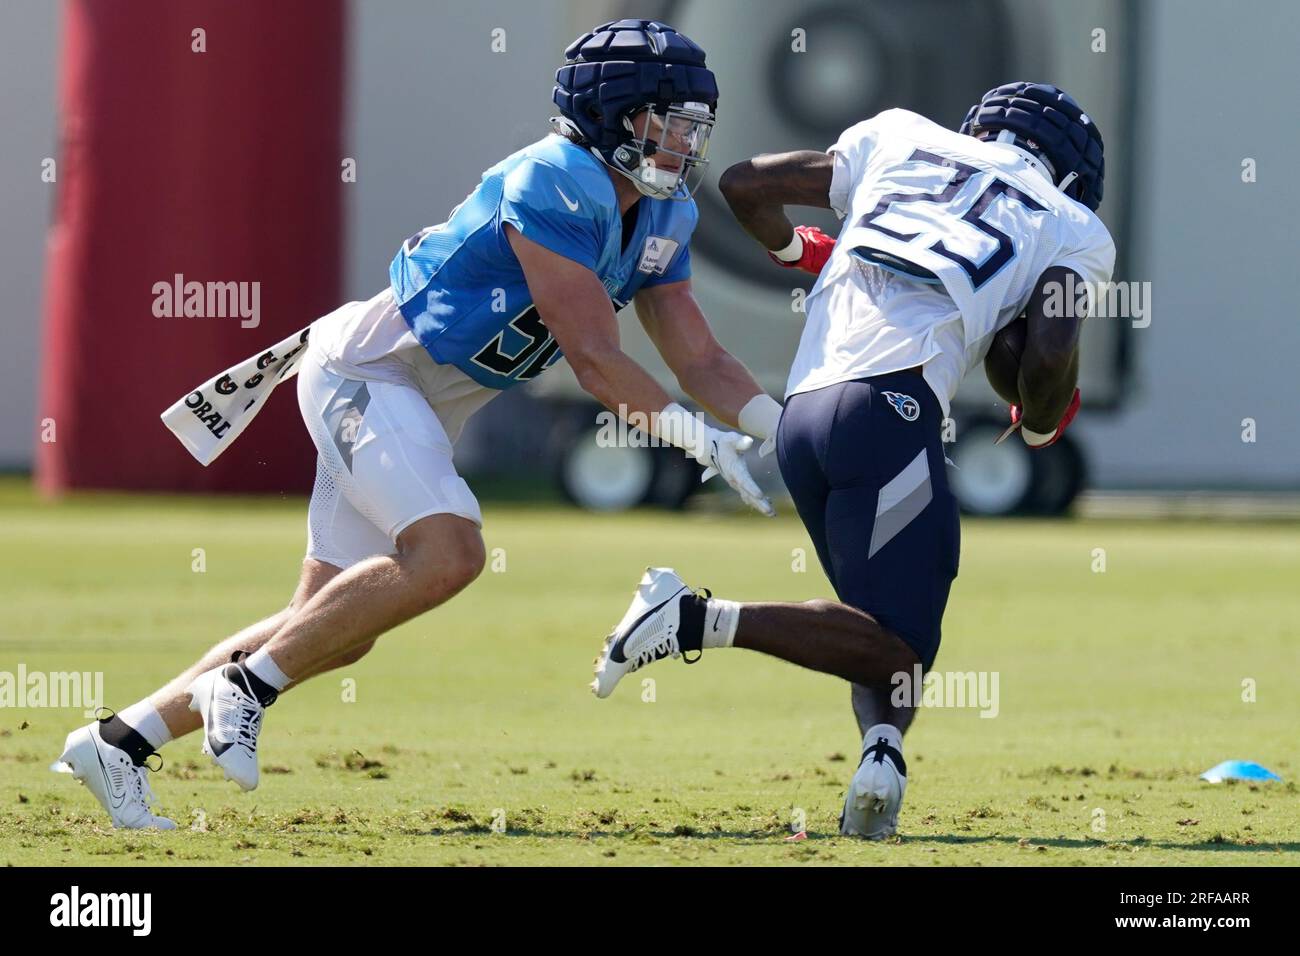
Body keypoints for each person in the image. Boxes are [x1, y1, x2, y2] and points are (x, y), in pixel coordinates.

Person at [53, 19, 783, 830]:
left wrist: (777, 427)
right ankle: (247, 686)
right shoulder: (556, 179)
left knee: (334, 627)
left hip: (418, 400)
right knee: (449, 550)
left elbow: (702, 358)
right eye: (669, 119)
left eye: (692, 123)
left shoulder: (662, 214)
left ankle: (118, 741)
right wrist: (692, 435)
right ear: (614, 113)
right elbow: (595, 358)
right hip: (370, 373)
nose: (685, 139)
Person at [591, 83, 1115, 839]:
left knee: (877, 629)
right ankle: (691, 616)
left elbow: (744, 183)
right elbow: (1053, 349)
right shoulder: (1072, 225)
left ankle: (881, 761)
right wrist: (1037, 424)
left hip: (802, 415)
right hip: (889, 411)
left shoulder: (901, 134)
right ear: (1070, 176)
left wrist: (794, 249)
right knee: (901, 642)